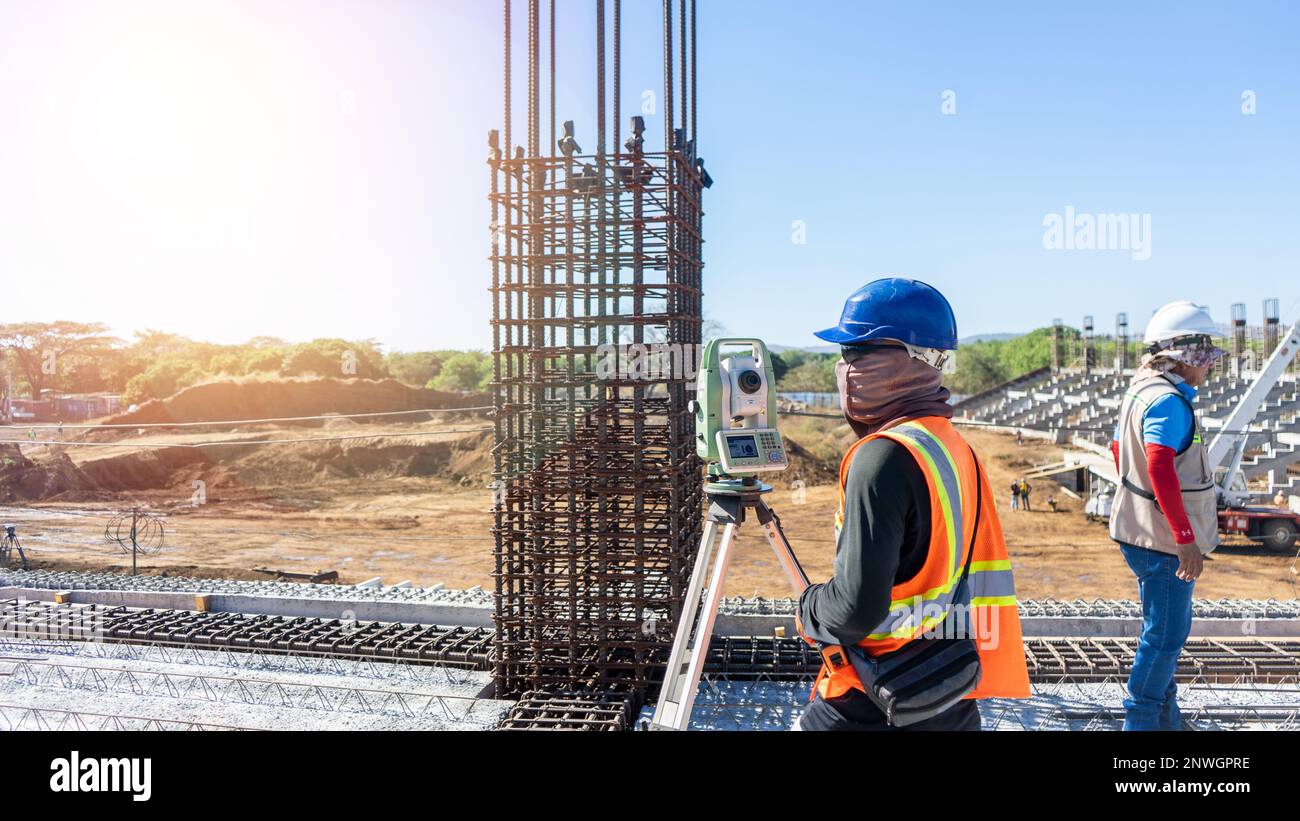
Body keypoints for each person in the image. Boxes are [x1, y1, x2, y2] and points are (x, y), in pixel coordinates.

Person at [792, 278, 1030, 731]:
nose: (845, 369)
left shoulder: (881, 458)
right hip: (948, 686)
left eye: (855, 354)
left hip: (874, 698)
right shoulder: (952, 444)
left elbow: (853, 612)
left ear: (902, 361)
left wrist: (808, 608)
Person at [1109, 300, 1225, 731]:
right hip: (1161, 542)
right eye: (1204, 360)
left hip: (1136, 529)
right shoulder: (1170, 403)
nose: (1208, 369)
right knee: (1165, 637)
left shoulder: (1141, 389)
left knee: (1161, 634)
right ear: (1184, 359)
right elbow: (1158, 465)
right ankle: (1141, 720)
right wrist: (1183, 537)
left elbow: (1119, 449)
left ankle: (1166, 719)